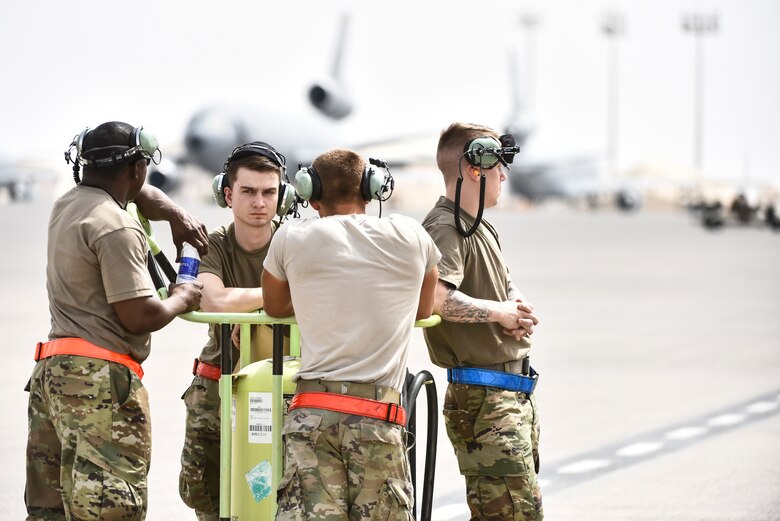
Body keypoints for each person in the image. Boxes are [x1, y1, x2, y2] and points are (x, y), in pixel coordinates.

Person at [25, 121, 205, 520]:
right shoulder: (118, 227)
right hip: (98, 384)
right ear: (138, 166)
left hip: (54, 372)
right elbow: (140, 315)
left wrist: (173, 212)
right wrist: (181, 297)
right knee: (109, 507)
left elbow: (137, 193)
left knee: (49, 510)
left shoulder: (69, 203)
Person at [262, 148, 440, 520]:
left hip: (312, 416)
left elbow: (276, 307)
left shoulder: (291, 238)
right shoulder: (410, 234)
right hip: (377, 416)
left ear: (309, 193)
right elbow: (424, 309)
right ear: (371, 187)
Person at [421, 122, 543, 520]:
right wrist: (498, 313)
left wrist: (515, 306)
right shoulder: (446, 227)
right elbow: (438, 299)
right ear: (475, 168)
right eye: (498, 166)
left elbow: (501, 287)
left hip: (508, 395)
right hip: (486, 400)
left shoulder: (478, 226)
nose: (504, 175)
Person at [178, 141, 293, 520]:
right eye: (247, 191)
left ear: (283, 196)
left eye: (268, 192)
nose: (259, 202)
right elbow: (214, 302)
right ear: (228, 195)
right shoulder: (211, 245)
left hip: (287, 384)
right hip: (220, 385)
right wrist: (276, 295)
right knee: (209, 493)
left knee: (285, 492)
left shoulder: (297, 244)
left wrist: (247, 302)